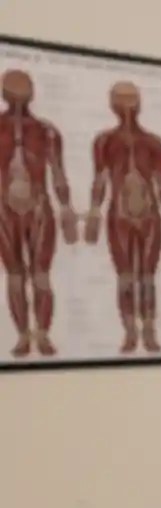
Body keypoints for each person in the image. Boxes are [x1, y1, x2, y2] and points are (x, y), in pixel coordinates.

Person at [84, 81, 161, 354]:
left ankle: (149, 331)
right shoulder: (105, 141)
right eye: (122, 100)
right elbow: (101, 179)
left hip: (149, 214)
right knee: (127, 277)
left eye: (132, 99)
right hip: (119, 215)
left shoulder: (153, 143)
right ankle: (131, 332)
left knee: (148, 276)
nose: (127, 106)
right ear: (113, 105)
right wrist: (93, 213)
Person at [0, 69, 77, 357]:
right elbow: (58, 175)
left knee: (39, 274)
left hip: (38, 206)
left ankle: (41, 335)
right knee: (17, 275)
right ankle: (23, 336)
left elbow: (58, 173)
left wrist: (67, 209)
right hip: (5, 209)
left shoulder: (47, 132)